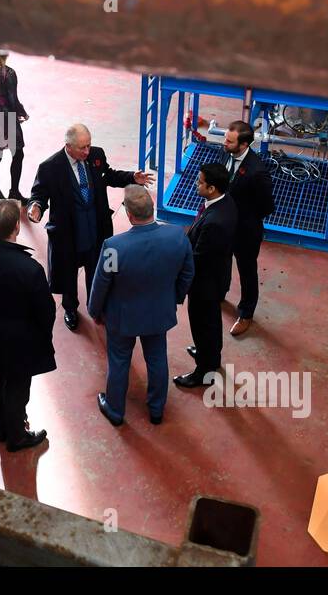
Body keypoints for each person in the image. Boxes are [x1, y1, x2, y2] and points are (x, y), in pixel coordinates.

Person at [27, 124, 152, 331]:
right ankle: (70, 308)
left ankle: (96, 306)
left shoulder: (96, 155)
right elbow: (38, 194)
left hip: (96, 227)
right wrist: (36, 207)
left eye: (89, 145)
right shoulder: (50, 167)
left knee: (97, 269)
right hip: (69, 233)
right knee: (68, 272)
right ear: (68, 146)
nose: (87, 151)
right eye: (82, 147)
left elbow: (108, 175)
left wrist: (132, 178)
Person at [88, 186, 194, 426]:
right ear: (152, 208)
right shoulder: (177, 236)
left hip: (122, 317)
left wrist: (96, 311)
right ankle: (157, 410)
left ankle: (115, 410)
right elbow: (187, 274)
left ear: (129, 214)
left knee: (119, 361)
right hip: (159, 313)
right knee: (157, 359)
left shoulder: (114, 248)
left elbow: (102, 284)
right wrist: (173, 298)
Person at [0, 199, 56, 452]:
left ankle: (2, 430)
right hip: (19, 336)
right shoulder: (30, 268)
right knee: (17, 384)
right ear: (17, 226)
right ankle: (18, 437)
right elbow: (46, 311)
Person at [174, 163, 237, 388]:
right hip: (216, 277)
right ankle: (210, 355)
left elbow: (199, 257)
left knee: (202, 324)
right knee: (211, 321)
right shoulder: (224, 203)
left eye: (200, 182)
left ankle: (203, 370)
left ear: (211, 188)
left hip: (205, 283)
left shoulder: (215, 222)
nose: (196, 184)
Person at [221, 120, 275, 336]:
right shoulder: (227, 153)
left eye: (229, 141)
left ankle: (245, 313)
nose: (224, 143)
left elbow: (267, 206)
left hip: (245, 230)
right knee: (221, 259)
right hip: (224, 224)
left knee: (247, 271)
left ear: (243, 145)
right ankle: (220, 291)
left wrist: (244, 219)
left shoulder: (256, 173)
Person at [0, 50, 30, 203]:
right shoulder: (8, 73)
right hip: (7, 117)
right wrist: (22, 113)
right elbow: (12, 99)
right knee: (18, 154)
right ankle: (14, 191)